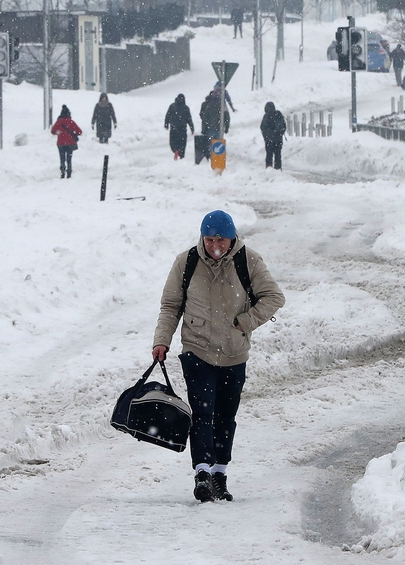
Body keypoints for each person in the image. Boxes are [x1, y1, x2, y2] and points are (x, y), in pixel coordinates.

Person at [152, 210, 285, 503]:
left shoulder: (248, 260)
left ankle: (219, 475)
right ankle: (202, 473)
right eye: (210, 239)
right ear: (202, 237)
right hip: (196, 349)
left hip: (234, 354)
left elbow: (274, 297)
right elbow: (171, 305)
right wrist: (162, 340)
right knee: (202, 413)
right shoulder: (186, 262)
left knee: (226, 416)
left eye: (221, 240)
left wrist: (245, 321)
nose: (215, 246)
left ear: (232, 238)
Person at [196, 89, 228, 165]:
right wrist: (226, 126)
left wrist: (204, 128)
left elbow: (204, 117)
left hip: (211, 128)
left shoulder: (209, 105)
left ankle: (213, 157)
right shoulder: (222, 105)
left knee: (211, 143)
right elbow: (227, 116)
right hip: (219, 128)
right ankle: (218, 158)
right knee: (219, 143)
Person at [50, 105, 82, 179]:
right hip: (70, 143)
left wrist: (57, 133)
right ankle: (69, 172)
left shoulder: (59, 122)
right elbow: (79, 131)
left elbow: (52, 131)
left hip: (61, 143)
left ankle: (62, 170)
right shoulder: (71, 122)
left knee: (62, 158)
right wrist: (74, 133)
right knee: (69, 158)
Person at [164, 94, 194, 160]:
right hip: (182, 128)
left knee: (173, 142)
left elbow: (167, 116)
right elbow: (189, 119)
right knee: (182, 143)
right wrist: (192, 128)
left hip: (174, 128)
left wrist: (166, 124)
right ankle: (181, 155)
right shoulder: (186, 108)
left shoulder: (172, 106)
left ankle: (175, 150)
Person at [259, 101, 287, 170]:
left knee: (269, 155)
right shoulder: (279, 114)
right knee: (278, 155)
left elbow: (262, 127)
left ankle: (269, 170)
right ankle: (278, 169)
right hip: (278, 139)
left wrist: (266, 137)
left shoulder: (267, 116)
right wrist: (280, 134)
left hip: (269, 140)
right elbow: (284, 126)